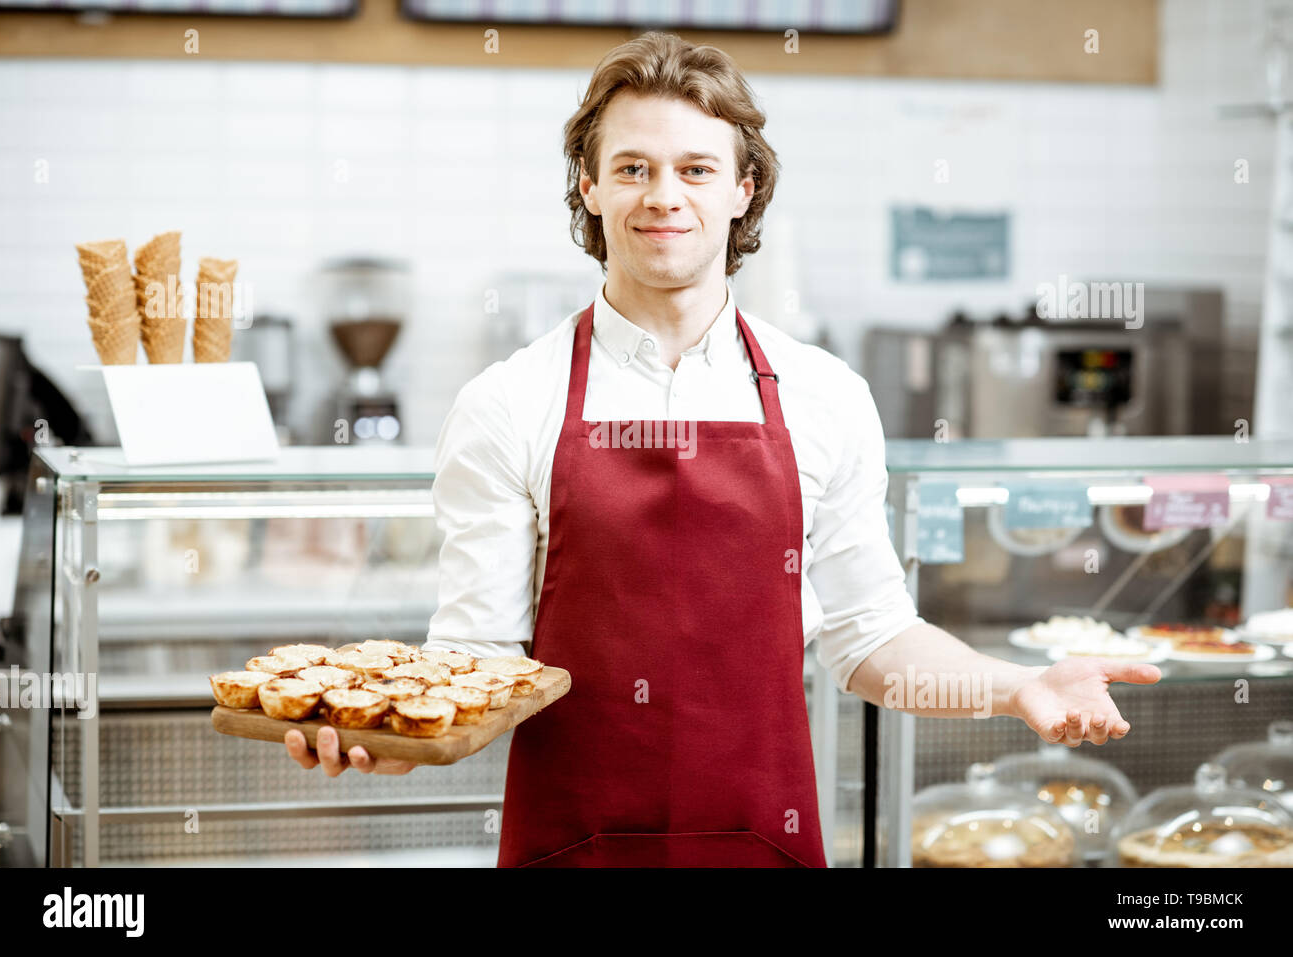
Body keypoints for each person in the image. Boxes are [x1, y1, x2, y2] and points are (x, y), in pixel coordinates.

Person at [285, 31, 1161, 867]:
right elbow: (480, 653)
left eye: (696, 169)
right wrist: (405, 738)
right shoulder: (508, 401)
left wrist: (1018, 687)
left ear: (743, 190)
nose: (664, 195)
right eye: (633, 168)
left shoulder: (825, 397)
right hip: (572, 849)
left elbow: (870, 640)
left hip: (763, 845)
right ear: (589, 187)